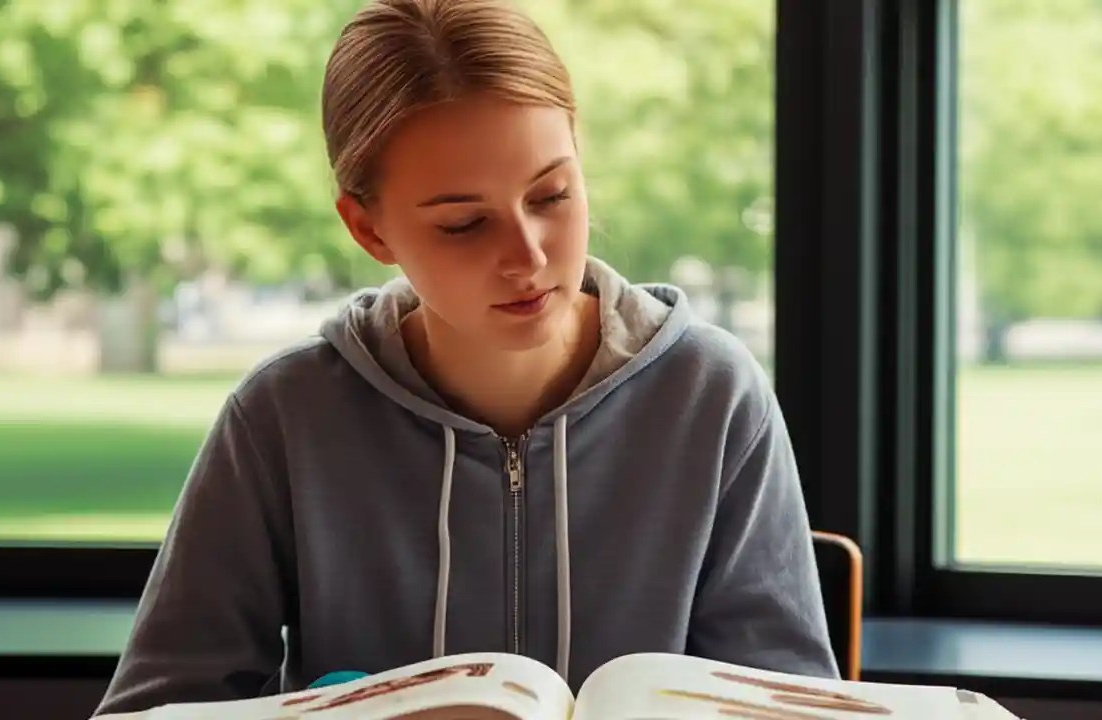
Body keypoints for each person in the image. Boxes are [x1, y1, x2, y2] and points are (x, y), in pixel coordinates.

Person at [95, 0, 837, 714]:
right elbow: (156, 710)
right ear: (369, 230)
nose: (527, 256)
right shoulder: (282, 418)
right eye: (463, 224)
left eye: (551, 195)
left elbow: (789, 700)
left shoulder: (712, 395)